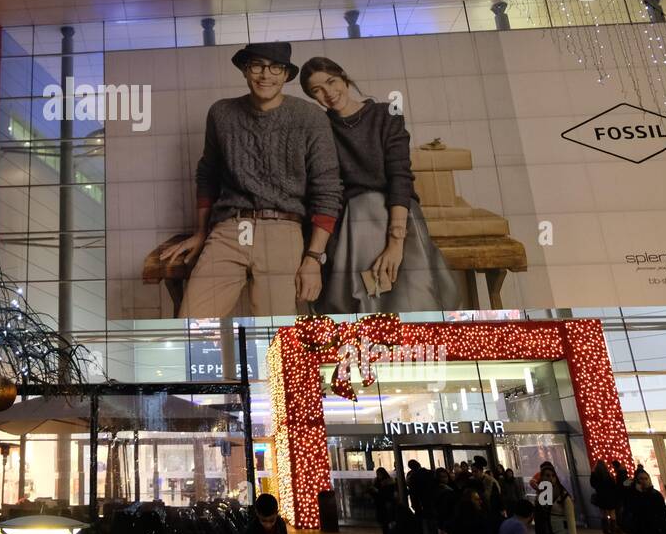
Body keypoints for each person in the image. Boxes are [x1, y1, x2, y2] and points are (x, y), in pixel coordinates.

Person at [164, 43, 343, 324]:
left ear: (286, 75)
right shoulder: (221, 114)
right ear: (246, 71)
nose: (265, 75)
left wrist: (313, 258)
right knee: (191, 326)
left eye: (275, 68)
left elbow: (328, 188)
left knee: (276, 335)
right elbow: (207, 174)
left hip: (283, 229)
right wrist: (200, 232)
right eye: (257, 66)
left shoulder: (310, 117)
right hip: (228, 229)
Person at [298, 57, 459, 314]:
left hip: (395, 212)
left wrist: (395, 243)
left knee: (410, 287)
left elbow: (400, 177)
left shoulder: (386, 114)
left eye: (331, 82)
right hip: (351, 221)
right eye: (317, 90)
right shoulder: (320, 127)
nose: (328, 93)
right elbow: (326, 188)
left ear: (344, 78)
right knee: (363, 209)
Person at [628, 469, 666, 534]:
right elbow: (633, 510)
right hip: (643, 529)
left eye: (646, 478)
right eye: (641, 479)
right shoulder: (633, 495)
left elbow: (665, 513)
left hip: (659, 528)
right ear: (637, 480)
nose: (644, 481)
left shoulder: (656, 494)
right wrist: (639, 493)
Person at [405, 459, 438, 534]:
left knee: (424, 524)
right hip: (432, 502)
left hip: (421, 504)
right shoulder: (430, 473)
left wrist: (414, 504)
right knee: (433, 524)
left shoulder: (413, 476)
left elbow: (413, 492)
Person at [591, 460, 622, 534]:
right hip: (610, 496)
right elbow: (613, 485)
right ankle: (613, 530)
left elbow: (592, 484)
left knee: (603, 513)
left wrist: (592, 473)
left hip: (601, 496)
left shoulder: (595, 475)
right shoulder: (608, 474)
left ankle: (606, 531)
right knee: (612, 513)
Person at [371, 467, 397, 534]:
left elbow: (388, 493)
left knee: (387, 519)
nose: (378, 475)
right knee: (383, 519)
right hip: (380, 503)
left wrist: (377, 491)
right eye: (377, 474)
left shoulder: (388, 481)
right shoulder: (376, 480)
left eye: (379, 473)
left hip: (386, 502)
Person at [433, 467, 457, 534]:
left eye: (446, 476)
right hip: (447, 522)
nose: (444, 479)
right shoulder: (445, 491)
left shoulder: (443, 489)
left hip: (444, 522)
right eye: (442, 477)